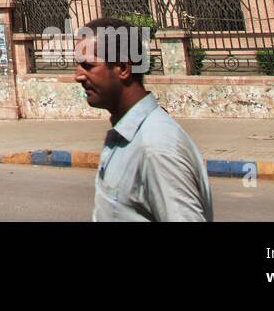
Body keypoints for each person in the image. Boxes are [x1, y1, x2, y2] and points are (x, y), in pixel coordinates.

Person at [73, 17, 213, 222]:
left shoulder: (155, 147)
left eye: (88, 66)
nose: (78, 76)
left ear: (122, 68)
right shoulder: (125, 137)